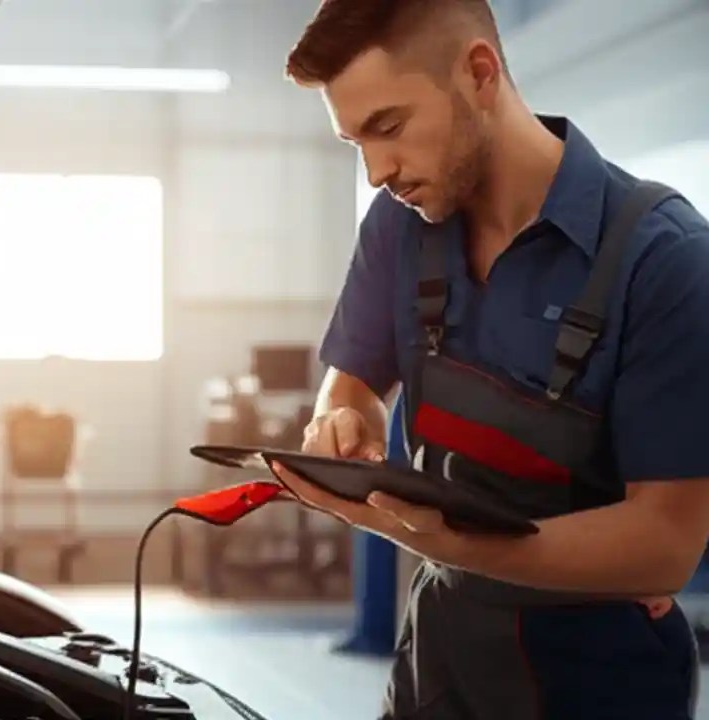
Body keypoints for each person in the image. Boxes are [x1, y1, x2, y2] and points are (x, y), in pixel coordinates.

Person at [276, 1, 709, 718]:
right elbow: (349, 388)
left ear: (479, 73)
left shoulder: (665, 259)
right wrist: (343, 427)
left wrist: (451, 543)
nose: (377, 171)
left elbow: (666, 545)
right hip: (439, 661)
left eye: (389, 127)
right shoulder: (399, 227)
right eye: (355, 142)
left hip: (602, 685)